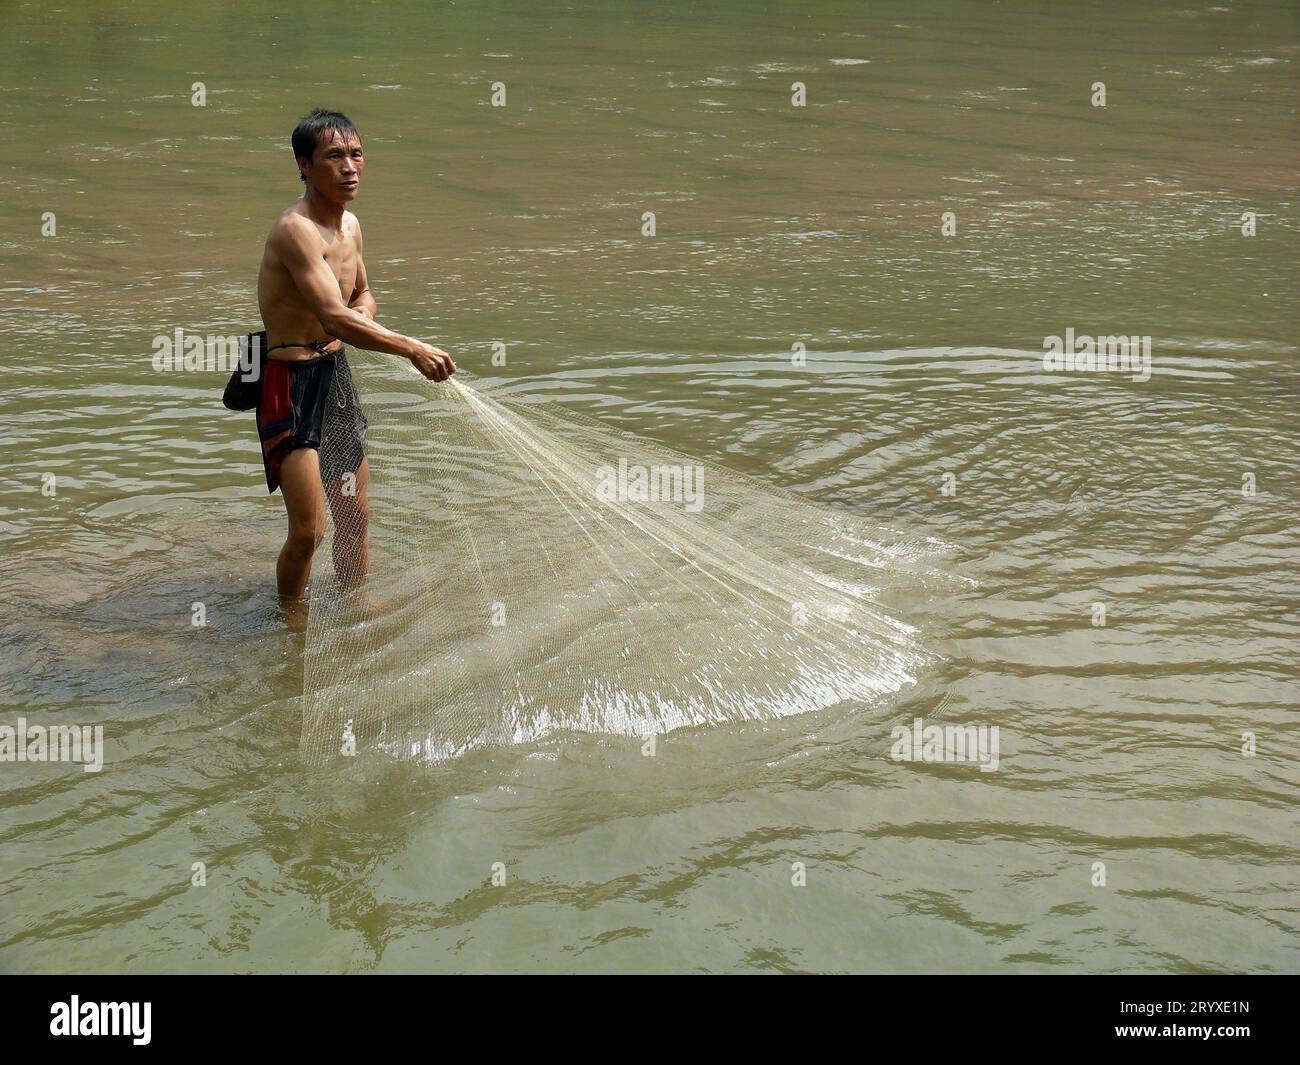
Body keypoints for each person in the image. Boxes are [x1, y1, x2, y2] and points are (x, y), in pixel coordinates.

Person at [255, 108, 455, 604]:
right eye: (334, 156)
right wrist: (411, 347)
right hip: (290, 382)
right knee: (310, 532)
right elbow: (334, 316)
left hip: (335, 375)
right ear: (304, 165)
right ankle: (290, 626)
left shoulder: (351, 227)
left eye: (356, 154)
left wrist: (365, 311)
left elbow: (362, 295)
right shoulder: (295, 231)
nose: (349, 167)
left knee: (354, 513)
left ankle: (355, 603)